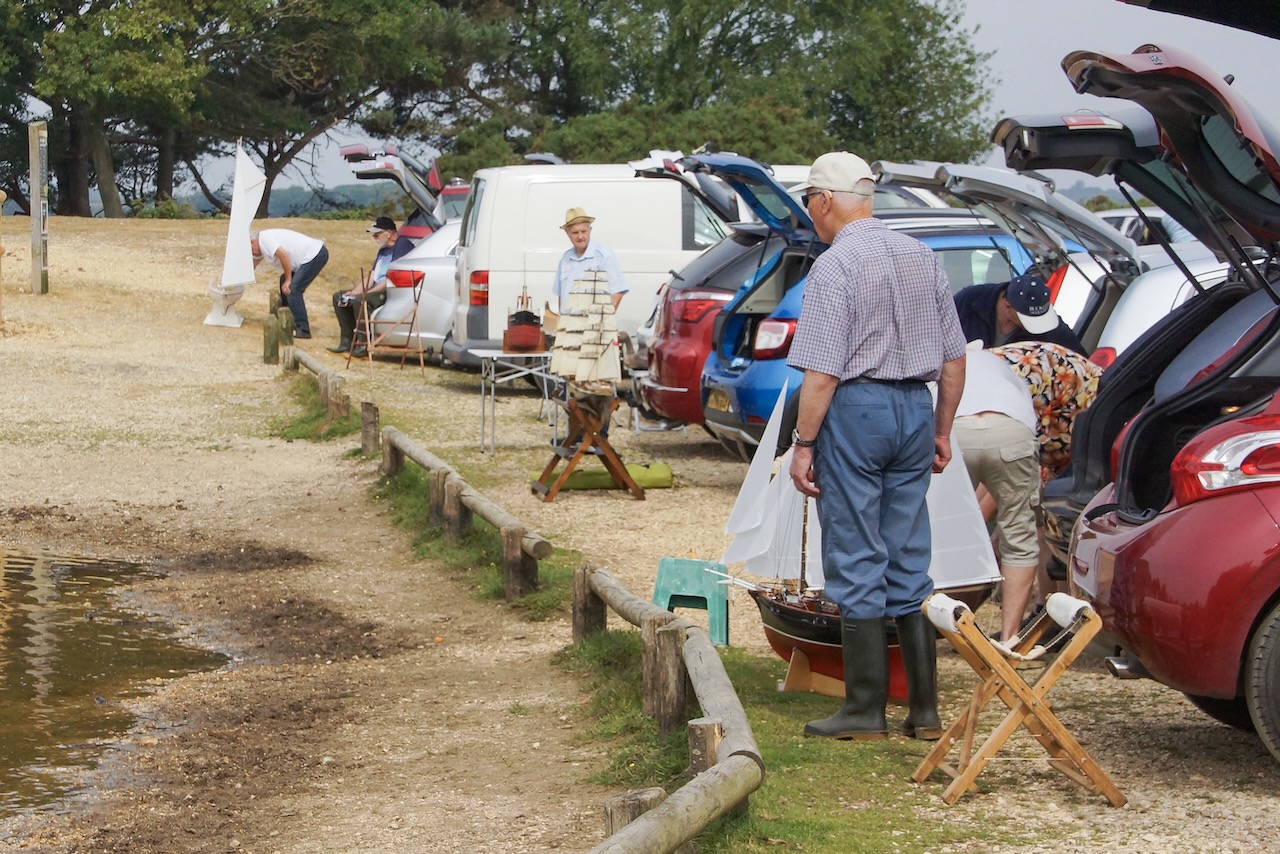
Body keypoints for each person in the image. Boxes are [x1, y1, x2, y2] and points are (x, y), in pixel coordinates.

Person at [786, 151, 967, 742]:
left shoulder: (834, 267)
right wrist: (941, 429)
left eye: (811, 200)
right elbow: (954, 357)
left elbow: (821, 374)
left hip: (858, 409)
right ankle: (924, 709)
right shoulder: (922, 256)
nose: (811, 211)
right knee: (908, 551)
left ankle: (864, 707)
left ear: (827, 201)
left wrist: (803, 443)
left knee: (857, 550)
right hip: (915, 406)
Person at [989, 340, 1102, 616]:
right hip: (1053, 417)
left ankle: (1054, 610)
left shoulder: (1015, 381)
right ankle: (1047, 607)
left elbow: (995, 488)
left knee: (1039, 515)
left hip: (1082, 419)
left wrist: (974, 550)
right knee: (1036, 518)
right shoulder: (987, 376)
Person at [953, 346, 1041, 642]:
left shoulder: (938, 360)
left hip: (956, 429)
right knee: (1019, 540)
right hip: (1012, 429)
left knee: (936, 533)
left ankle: (936, 629)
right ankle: (1009, 638)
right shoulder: (1002, 366)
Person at [328, 216, 415, 355]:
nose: (375, 238)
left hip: (391, 290)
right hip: (377, 288)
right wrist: (354, 291)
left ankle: (363, 343)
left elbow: (391, 278)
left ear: (389, 233)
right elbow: (372, 276)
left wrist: (366, 294)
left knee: (360, 301)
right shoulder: (383, 250)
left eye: (377, 234)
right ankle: (346, 341)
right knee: (340, 298)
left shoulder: (402, 246)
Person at [953, 273, 1086, 356]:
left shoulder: (1053, 329)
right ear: (1007, 306)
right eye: (1029, 318)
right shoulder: (968, 301)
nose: (1037, 323)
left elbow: (1078, 358)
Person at [251, 228, 329, 339]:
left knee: (293, 289)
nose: (252, 253)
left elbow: (283, 255)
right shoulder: (263, 243)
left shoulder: (264, 239)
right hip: (311, 255)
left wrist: (289, 280)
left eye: (251, 249)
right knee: (284, 280)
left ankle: (303, 329)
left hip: (314, 255)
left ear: (253, 242)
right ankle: (287, 320)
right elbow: (254, 262)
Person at [553, 207, 628, 314]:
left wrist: (603, 321)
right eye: (575, 233)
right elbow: (561, 296)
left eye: (583, 231)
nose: (580, 236)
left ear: (590, 230)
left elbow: (617, 292)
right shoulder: (565, 258)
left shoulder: (603, 256)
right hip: (568, 326)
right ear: (567, 233)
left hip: (593, 327)